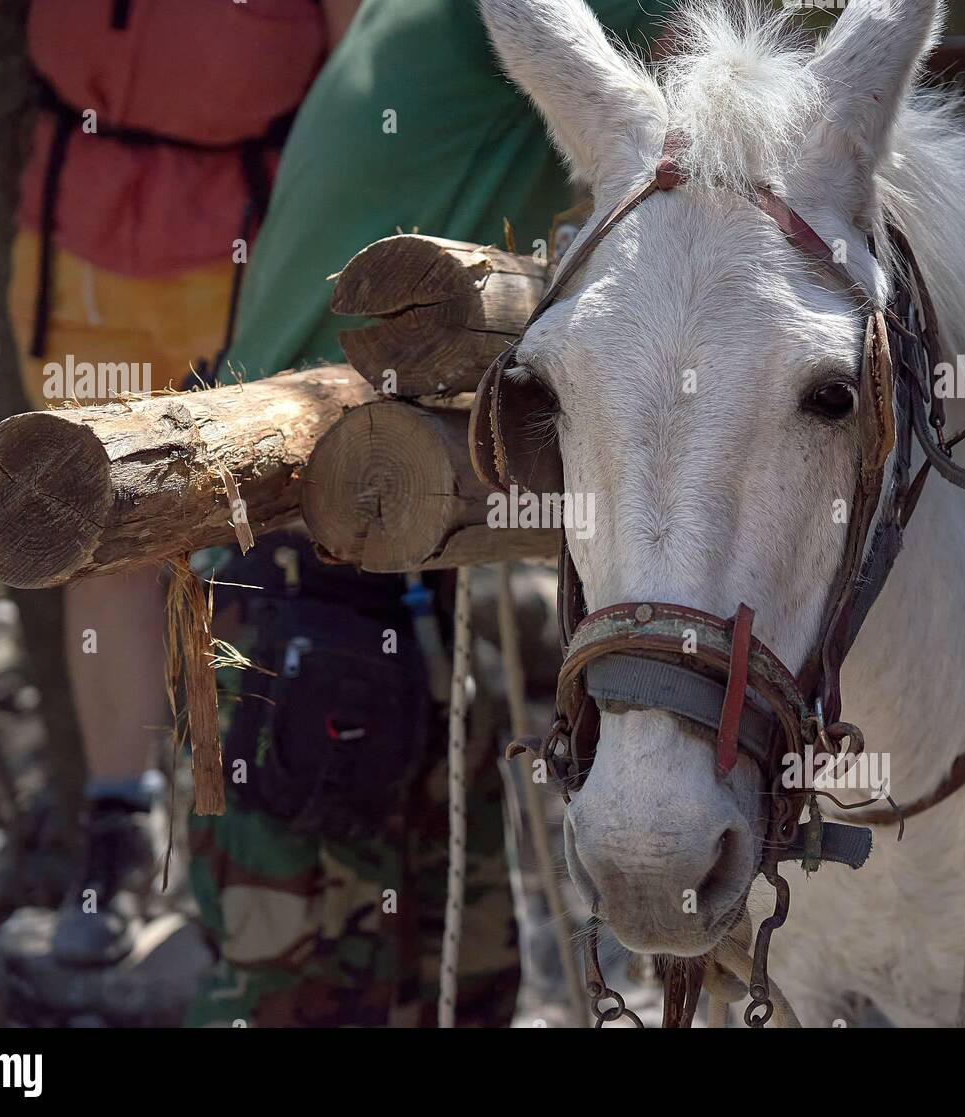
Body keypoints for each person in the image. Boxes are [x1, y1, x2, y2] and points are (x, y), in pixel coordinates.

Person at [185, 0, 677, 1027]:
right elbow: (727, 107)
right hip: (308, 548)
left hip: (364, 549)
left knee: (447, 980)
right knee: (312, 996)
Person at [0, 0, 339, 966]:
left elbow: (360, 57)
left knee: (260, 530)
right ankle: (122, 830)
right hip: (80, 234)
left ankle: (263, 850)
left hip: (255, 229)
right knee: (92, 534)